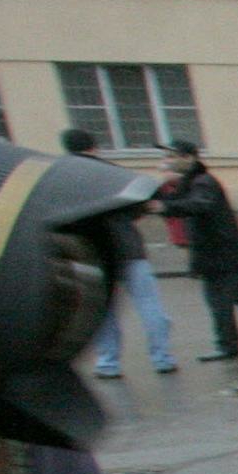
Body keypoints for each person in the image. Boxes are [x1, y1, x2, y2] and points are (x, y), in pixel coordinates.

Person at [65, 129, 176, 380]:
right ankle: (162, 358)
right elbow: (147, 199)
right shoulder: (113, 172)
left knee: (104, 311)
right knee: (149, 305)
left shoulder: (63, 176)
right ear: (94, 147)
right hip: (129, 248)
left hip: (93, 251)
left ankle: (108, 363)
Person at [160, 141, 238, 362]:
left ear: (189, 157)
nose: (167, 161)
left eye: (172, 156)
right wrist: (163, 194)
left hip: (220, 254)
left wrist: (164, 206)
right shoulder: (190, 182)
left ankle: (228, 346)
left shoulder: (203, 182)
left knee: (219, 301)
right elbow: (179, 202)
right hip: (219, 253)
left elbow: (199, 205)